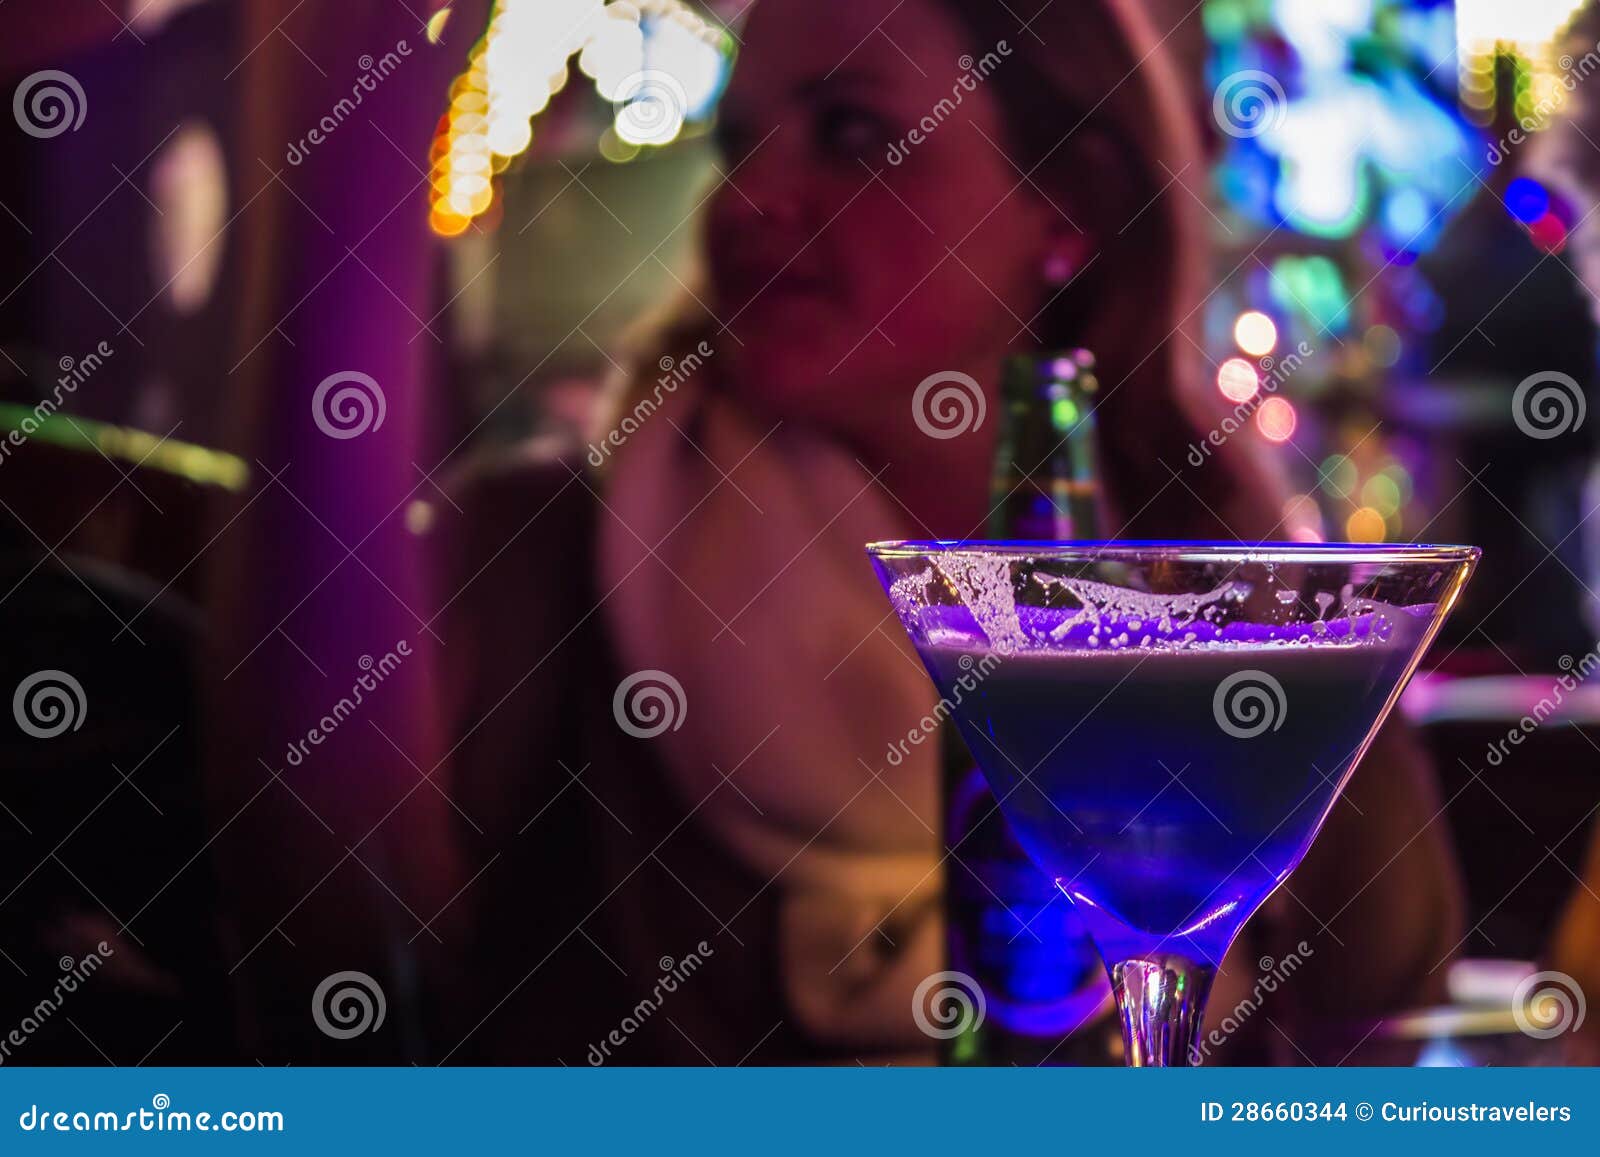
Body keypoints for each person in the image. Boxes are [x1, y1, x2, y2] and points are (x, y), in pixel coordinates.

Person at [428, 0, 1463, 1064]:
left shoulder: (1253, 585)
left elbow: (1383, 1007)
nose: (746, 201)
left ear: (1071, 202)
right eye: (737, 145)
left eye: (854, 135)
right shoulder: (528, 556)